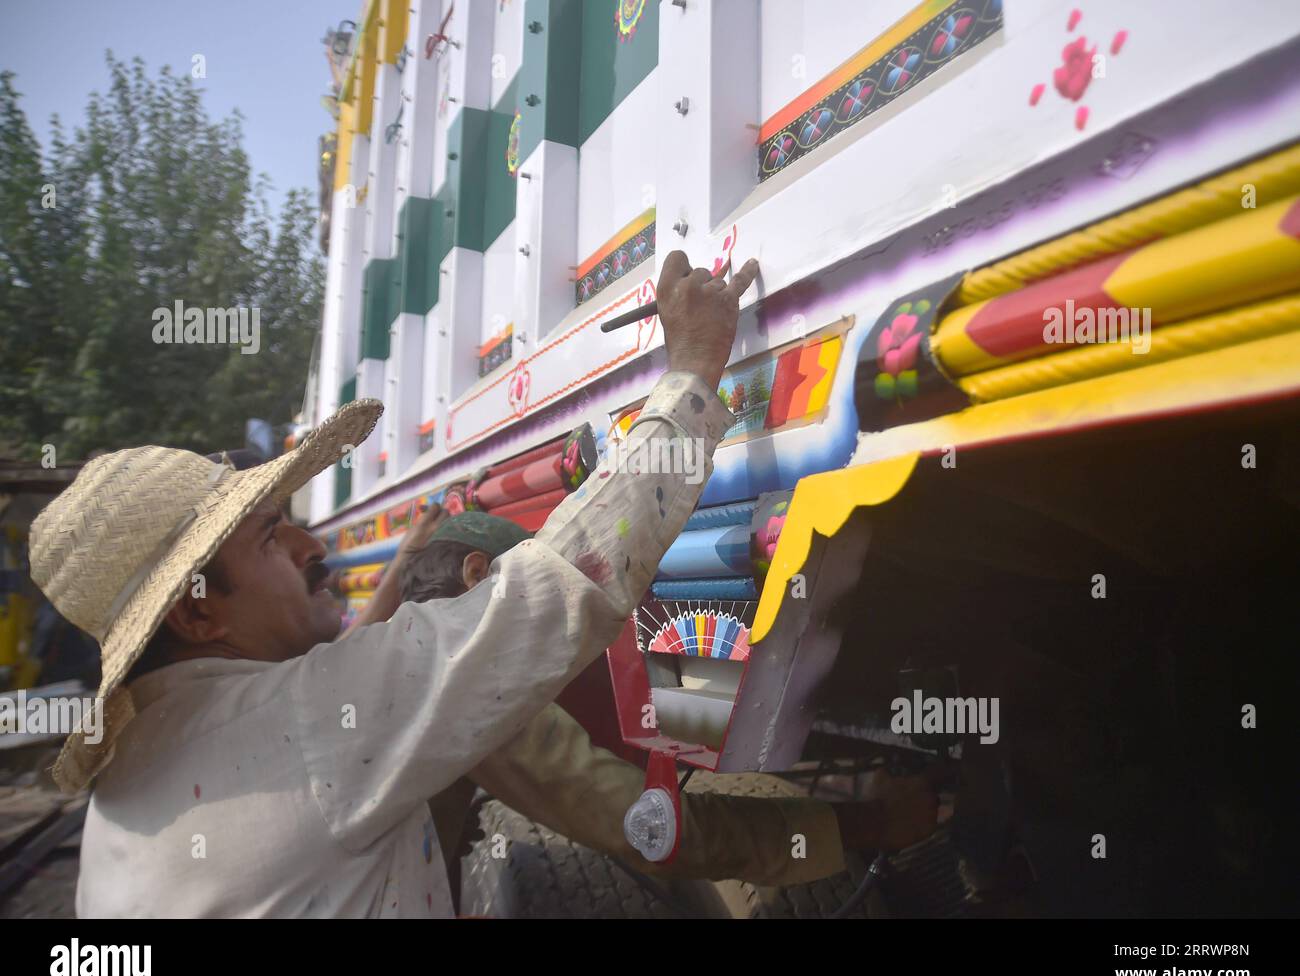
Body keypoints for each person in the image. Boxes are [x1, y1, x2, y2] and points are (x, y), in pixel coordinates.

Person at [24, 252, 927, 916]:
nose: (308, 545)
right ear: (198, 610)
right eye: (268, 538)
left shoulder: (137, 780)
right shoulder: (326, 720)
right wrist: (692, 373)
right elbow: (570, 581)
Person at [395, 511, 940, 908]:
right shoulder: (464, 686)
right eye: (538, 582)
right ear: (475, 575)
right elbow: (649, 831)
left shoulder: (397, 658)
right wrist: (866, 824)